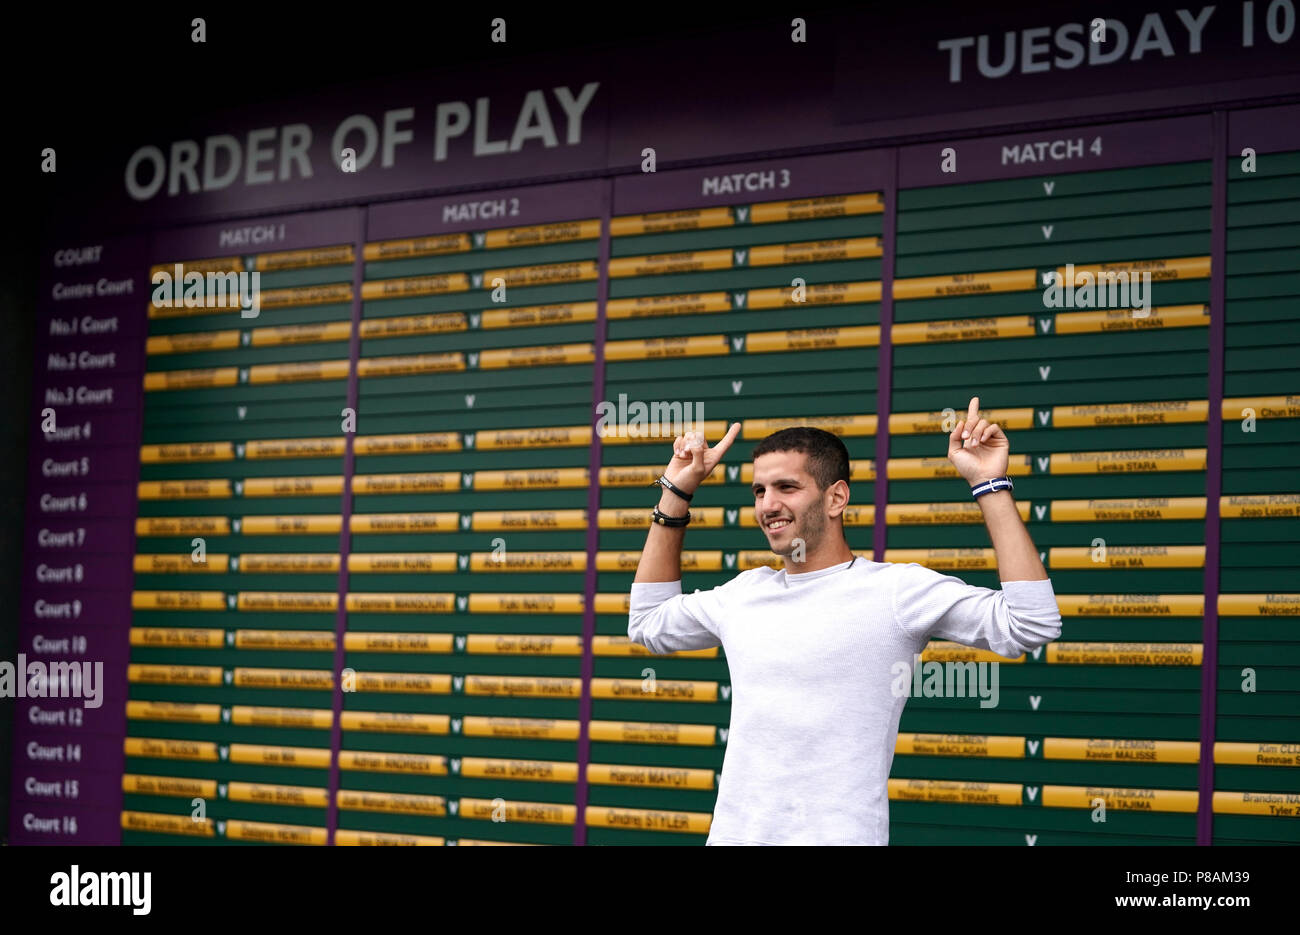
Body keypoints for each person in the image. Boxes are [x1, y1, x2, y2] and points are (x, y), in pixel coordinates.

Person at [628, 396, 1063, 845]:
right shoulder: (744, 593)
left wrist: (990, 484)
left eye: (786, 488)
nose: (767, 504)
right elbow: (647, 622)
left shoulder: (896, 591)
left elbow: (1030, 623)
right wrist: (676, 491)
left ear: (836, 497)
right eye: (759, 491)